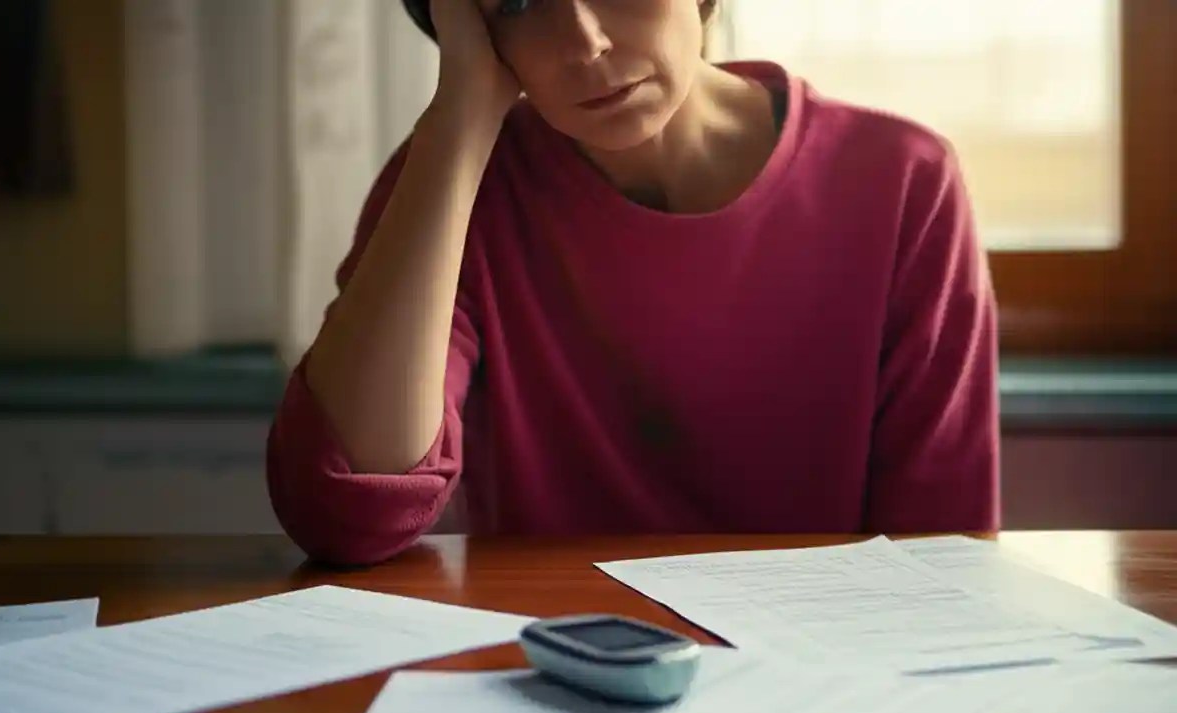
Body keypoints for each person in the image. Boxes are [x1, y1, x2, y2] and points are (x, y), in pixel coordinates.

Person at [267, 0, 999, 565]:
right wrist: (460, 112)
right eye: (520, 2)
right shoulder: (453, 189)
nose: (584, 41)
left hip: (819, 680)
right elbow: (346, 509)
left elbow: (941, 557)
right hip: (547, 668)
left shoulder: (900, 180)